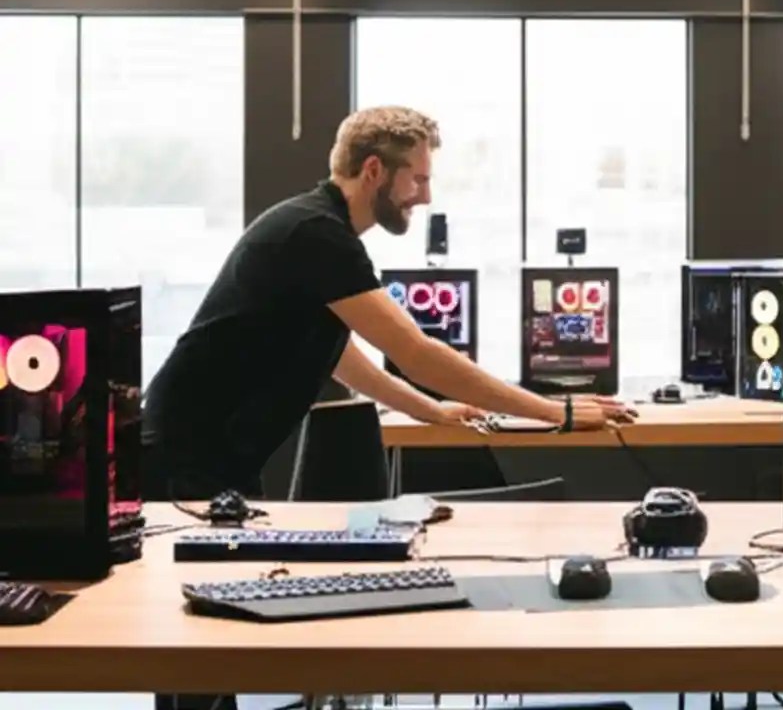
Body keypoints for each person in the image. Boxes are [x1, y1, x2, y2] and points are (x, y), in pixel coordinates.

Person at [142, 106, 633, 501]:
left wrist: (429, 410)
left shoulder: (317, 228)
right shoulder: (316, 234)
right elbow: (416, 354)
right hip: (183, 463)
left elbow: (337, 355)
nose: (424, 197)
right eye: (417, 180)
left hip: (212, 459)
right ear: (374, 171)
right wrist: (553, 411)